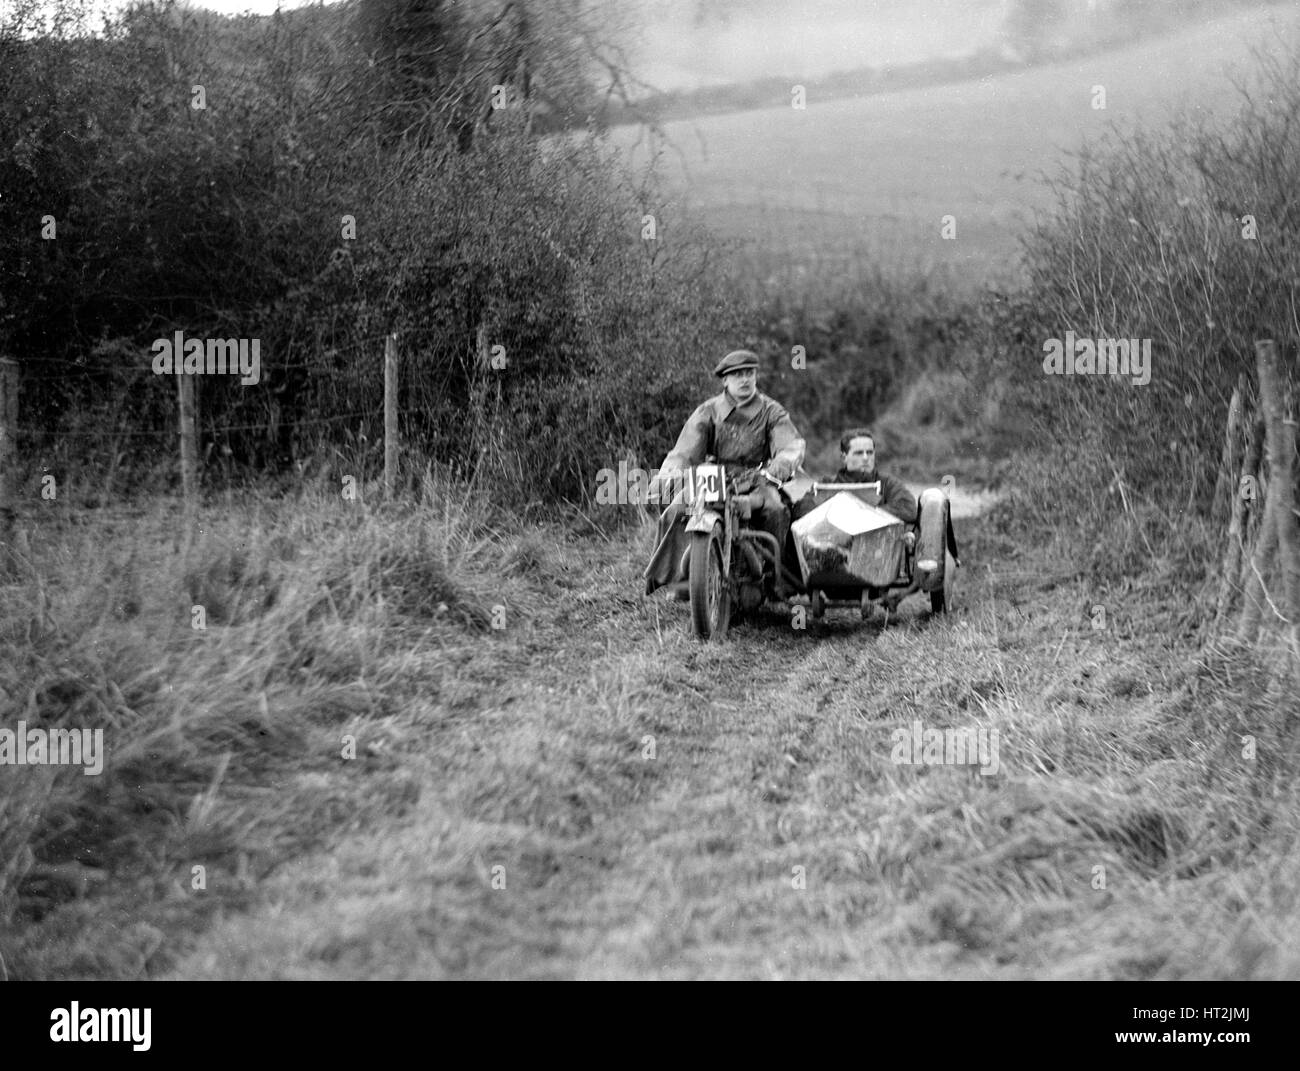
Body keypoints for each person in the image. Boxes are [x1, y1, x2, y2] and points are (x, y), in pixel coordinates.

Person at [643, 350, 805, 596]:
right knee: (676, 509)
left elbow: (790, 446)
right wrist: (667, 477)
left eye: (749, 373)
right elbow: (684, 452)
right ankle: (683, 579)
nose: (745, 380)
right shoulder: (708, 411)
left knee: (775, 509)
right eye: (738, 375)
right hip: (713, 477)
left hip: (757, 478)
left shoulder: (772, 411)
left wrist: (776, 470)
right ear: (725, 381)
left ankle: (770, 577)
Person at [827, 428, 918, 523]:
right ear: (844, 457)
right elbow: (811, 510)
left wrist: (863, 513)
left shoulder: (888, 484)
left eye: (869, 453)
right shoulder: (828, 484)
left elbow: (908, 510)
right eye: (859, 453)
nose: (866, 458)